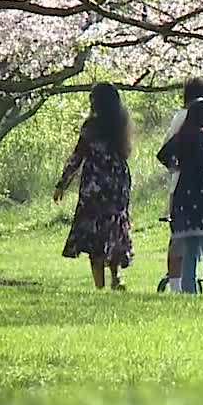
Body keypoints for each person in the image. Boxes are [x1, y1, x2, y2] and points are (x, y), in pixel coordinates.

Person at [54, 83, 134, 290]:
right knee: (115, 226)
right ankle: (116, 276)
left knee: (94, 232)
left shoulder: (91, 127)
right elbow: (125, 153)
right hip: (118, 180)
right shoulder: (121, 123)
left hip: (95, 182)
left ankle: (99, 285)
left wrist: (63, 183)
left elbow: (78, 155)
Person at [158, 98, 203, 295]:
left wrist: (179, 167)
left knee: (190, 254)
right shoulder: (202, 135)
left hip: (184, 199)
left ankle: (189, 293)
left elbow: (163, 154)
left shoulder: (182, 135)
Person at [161, 77, 203, 293]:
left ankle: (181, 282)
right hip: (189, 185)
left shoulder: (180, 117)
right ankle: (177, 283)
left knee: (184, 236)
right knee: (183, 237)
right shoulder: (190, 118)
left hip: (181, 183)